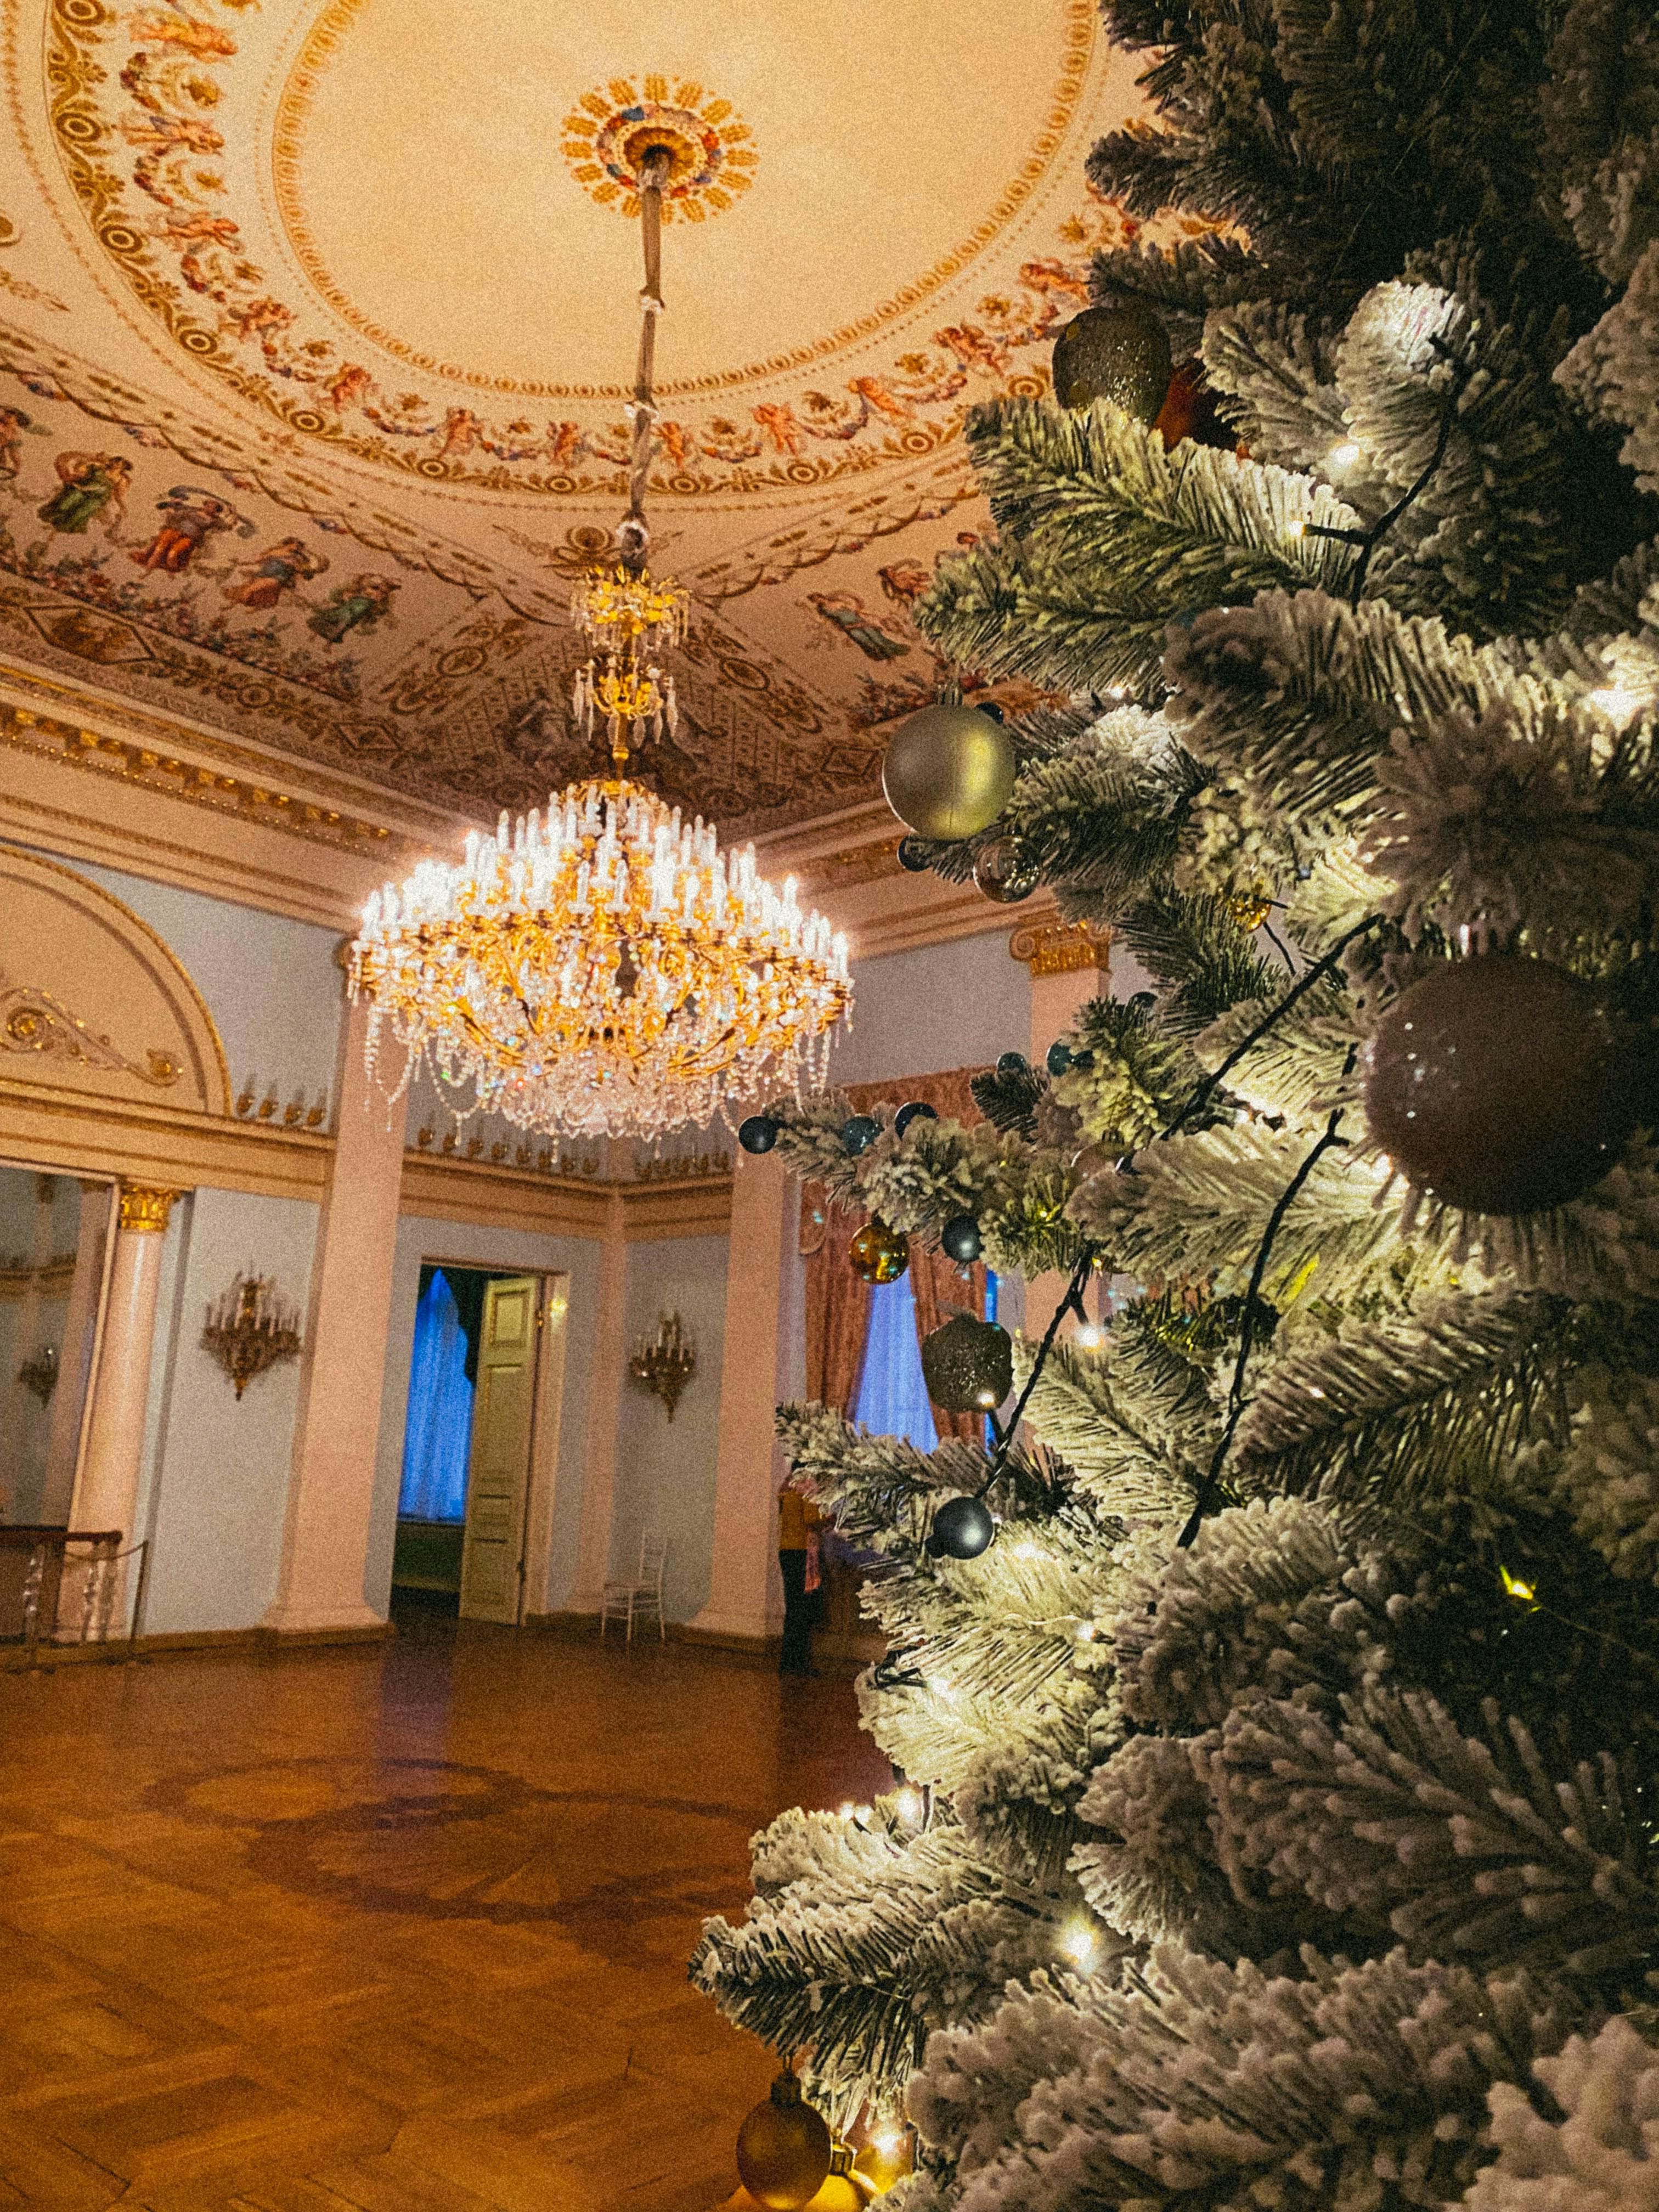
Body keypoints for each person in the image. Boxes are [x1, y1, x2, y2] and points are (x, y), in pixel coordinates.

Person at [776, 1475, 823, 1678]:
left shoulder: (787, 1488)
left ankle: (787, 1661)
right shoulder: (807, 1487)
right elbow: (812, 1519)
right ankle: (800, 1663)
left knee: (793, 1607)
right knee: (803, 1610)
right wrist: (830, 1518)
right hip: (802, 1553)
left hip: (786, 1550)